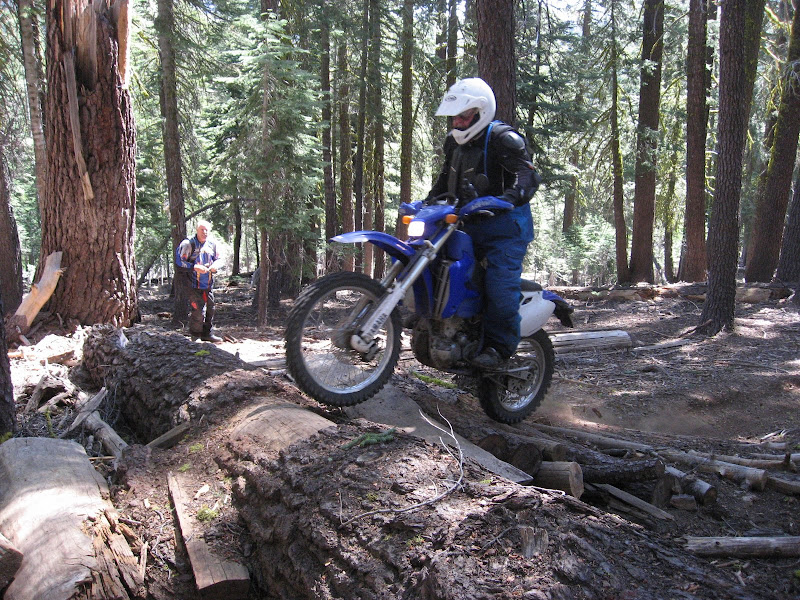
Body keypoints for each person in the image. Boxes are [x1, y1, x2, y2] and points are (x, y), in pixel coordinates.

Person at [427, 77, 541, 369]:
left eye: (464, 116)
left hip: (505, 230)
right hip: (467, 223)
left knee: (499, 288)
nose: (459, 122)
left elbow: (528, 176)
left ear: (481, 112)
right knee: (437, 263)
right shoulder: (454, 142)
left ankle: (498, 349)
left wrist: (507, 199)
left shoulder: (504, 139)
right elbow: (443, 181)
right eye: (456, 117)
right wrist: (425, 204)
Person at [175, 220, 224, 343]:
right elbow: (179, 262)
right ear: (197, 230)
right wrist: (194, 267)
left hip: (207, 284)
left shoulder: (212, 244)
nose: (205, 232)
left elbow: (219, 259)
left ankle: (207, 334)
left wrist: (215, 266)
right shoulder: (188, 244)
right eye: (202, 230)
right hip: (192, 284)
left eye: (207, 230)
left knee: (210, 309)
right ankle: (195, 336)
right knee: (198, 310)